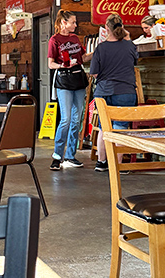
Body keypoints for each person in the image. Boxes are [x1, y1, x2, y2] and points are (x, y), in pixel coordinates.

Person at [90, 13, 138, 172]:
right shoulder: (130, 46)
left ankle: (101, 163)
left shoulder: (101, 48)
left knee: (105, 128)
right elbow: (135, 62)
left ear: (106, 28)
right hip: (125, 91)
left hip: (103, 92)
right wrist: (128, 39)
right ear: (122, 27)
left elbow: (94, 73)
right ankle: (118, 166)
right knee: (121, 128)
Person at [48, 10, 90, 170]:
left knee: (76, 119)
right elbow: (50, 64)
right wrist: (63, 65)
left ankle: (70, 156)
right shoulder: (54, 40)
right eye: (73, 22)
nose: (76, 25)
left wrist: (100, 49)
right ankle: (57, 156)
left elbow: (83, 58)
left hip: (78, 79)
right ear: (63, 23)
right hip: (64, 80)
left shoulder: (75, 38)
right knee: (65, 119)